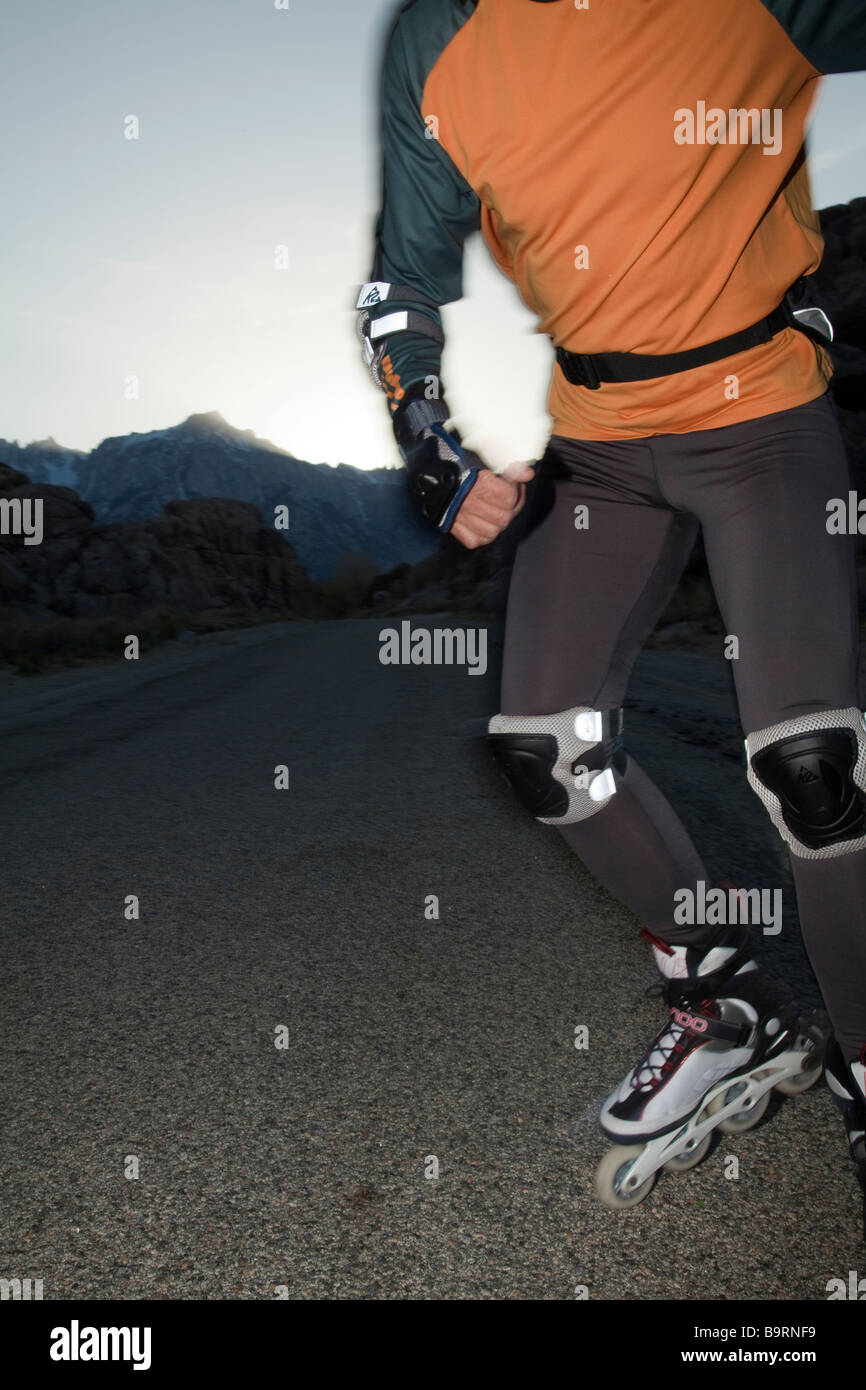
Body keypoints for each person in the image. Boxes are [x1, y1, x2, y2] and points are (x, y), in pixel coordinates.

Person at [356, 0, 866, 1234]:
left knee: (812, 766)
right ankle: (724, 999)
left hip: (761, 424)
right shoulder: (437, 42)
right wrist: (421, 431)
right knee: (543, 747)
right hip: (599, 446)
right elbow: (402, 282)